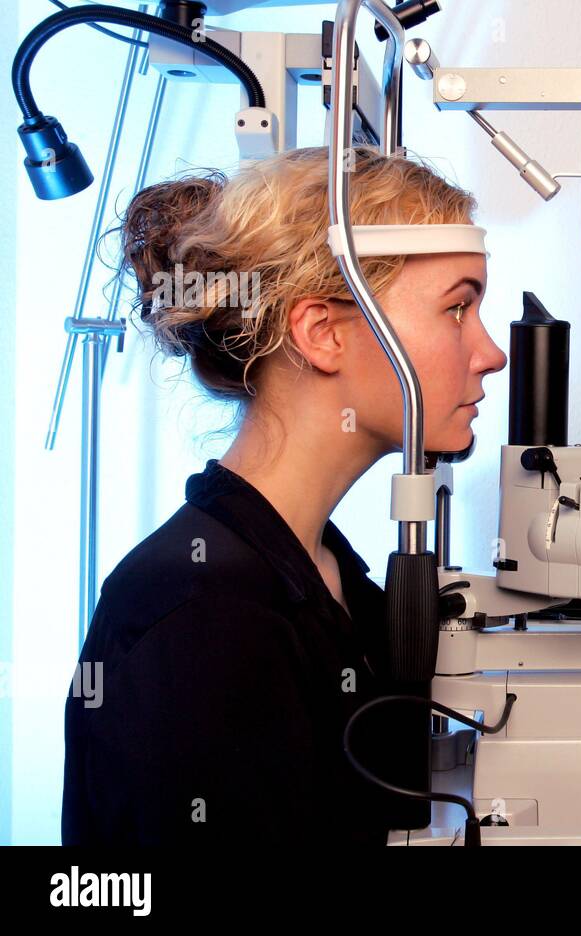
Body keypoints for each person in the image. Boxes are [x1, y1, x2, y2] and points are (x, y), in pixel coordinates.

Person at [62, 146, 507, 844]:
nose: (491, 352)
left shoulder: (332, 580)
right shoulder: (198, 615)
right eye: (457, 309)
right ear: (323, 332)